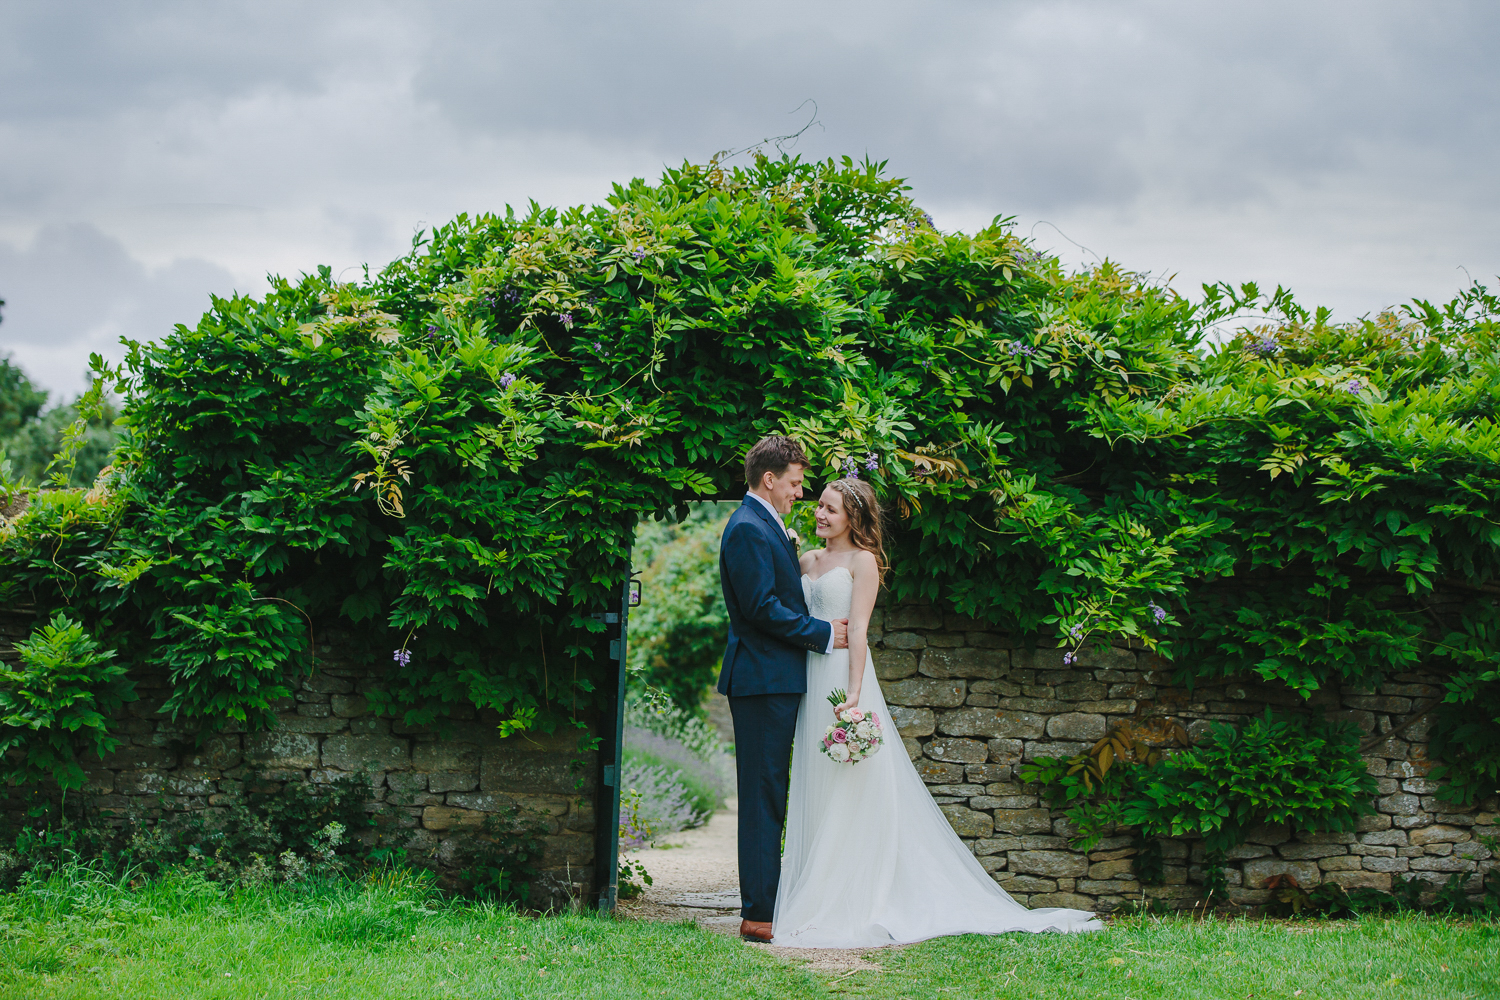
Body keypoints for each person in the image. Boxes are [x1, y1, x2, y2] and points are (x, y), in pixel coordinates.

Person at [772, 475, 1102, 946]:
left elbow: (860, 629)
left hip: (844, 677)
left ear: (854, 517)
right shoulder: (805, 559)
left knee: (849, 783)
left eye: (831, 509)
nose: (820, 514)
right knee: (815, 776)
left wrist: (855, 694)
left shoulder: (863, 562)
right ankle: (811, 885)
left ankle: (846, 892)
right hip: (810, 674)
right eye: (820, 505)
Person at [717, 436, 848, 943]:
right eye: (795, 483)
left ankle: (773, 903)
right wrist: (821, 633)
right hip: (761, 680)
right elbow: (760, 608)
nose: (799, 492)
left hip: (775, 679)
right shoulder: (748, 528)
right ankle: (758, 914)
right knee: (762, 795)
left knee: (771, 790)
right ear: (769, 479)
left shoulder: (764, 523)